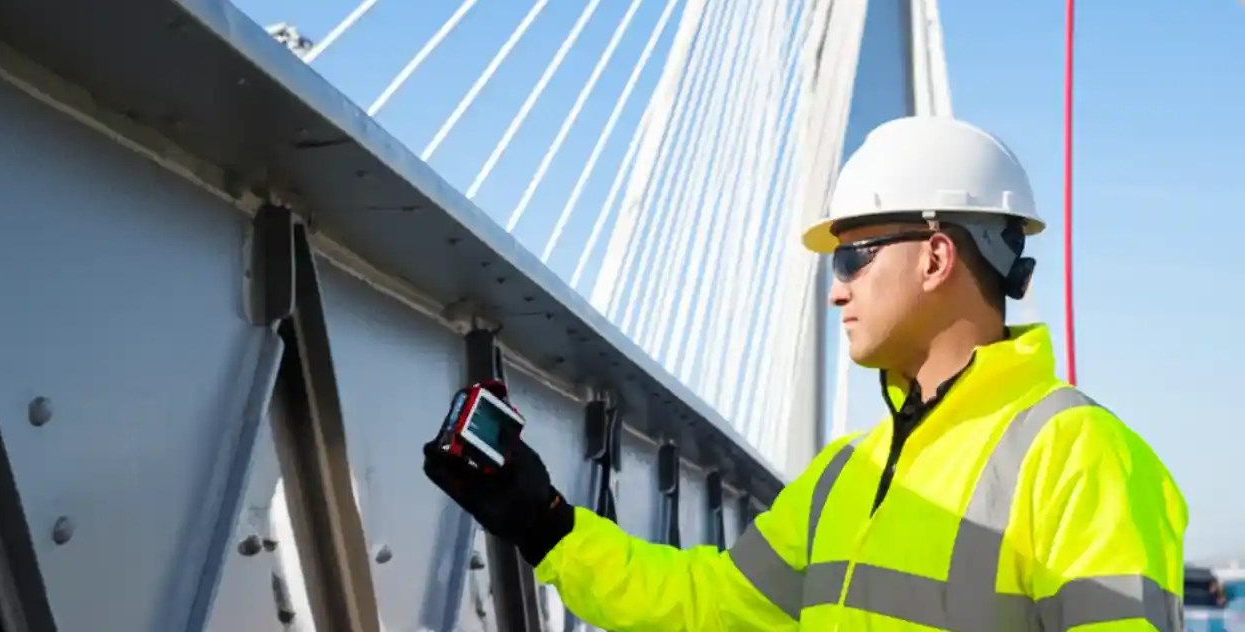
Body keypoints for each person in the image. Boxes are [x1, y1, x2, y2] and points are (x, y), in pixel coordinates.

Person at [423, 116, 1188, 630]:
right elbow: (708, 604)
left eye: (853, 253)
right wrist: (543, 521)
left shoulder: (1084, 459)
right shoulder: (840, 476)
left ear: (936, 256)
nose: (837, 285)